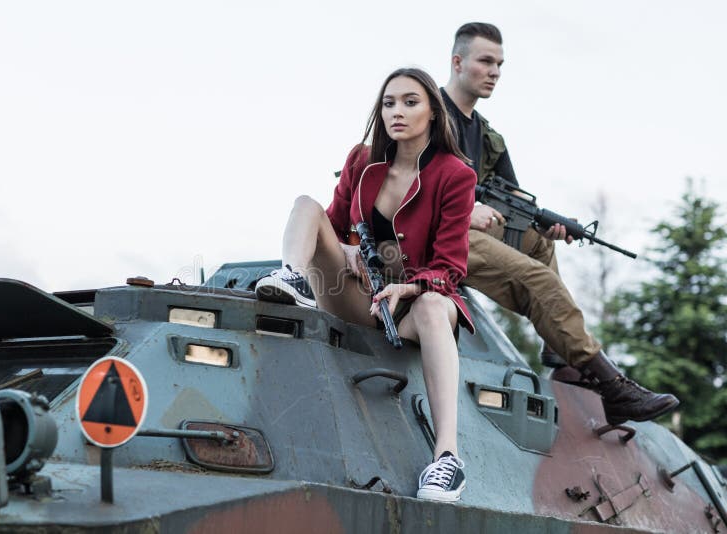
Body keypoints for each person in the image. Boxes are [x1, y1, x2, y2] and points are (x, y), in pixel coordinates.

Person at [255, 68, 477, 502]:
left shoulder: (455, 175)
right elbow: (335, 225)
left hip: (414, 308)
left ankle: (447, 458)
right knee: (305, 205)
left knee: (436, 306)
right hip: (359, 296)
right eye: (389, 103)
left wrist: (409, 289)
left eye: (410, 102)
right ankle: (293, 277)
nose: (397, 111)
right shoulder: (362, 160)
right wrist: (347, 247)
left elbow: (451, 268)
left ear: (433, 111)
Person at [441, 22, 679, 425]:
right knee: (538, 279)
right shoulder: (426, 115)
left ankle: (561, 358)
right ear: (458, 62)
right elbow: (402, 182)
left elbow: (512, 199)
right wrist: (464, 210)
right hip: (434, 233)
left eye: (500, 63)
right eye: (486, 61)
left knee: (537, 241)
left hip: (471, 230)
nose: (495, 71)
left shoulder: (487, 135)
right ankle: (612, 384)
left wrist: (551, 223)